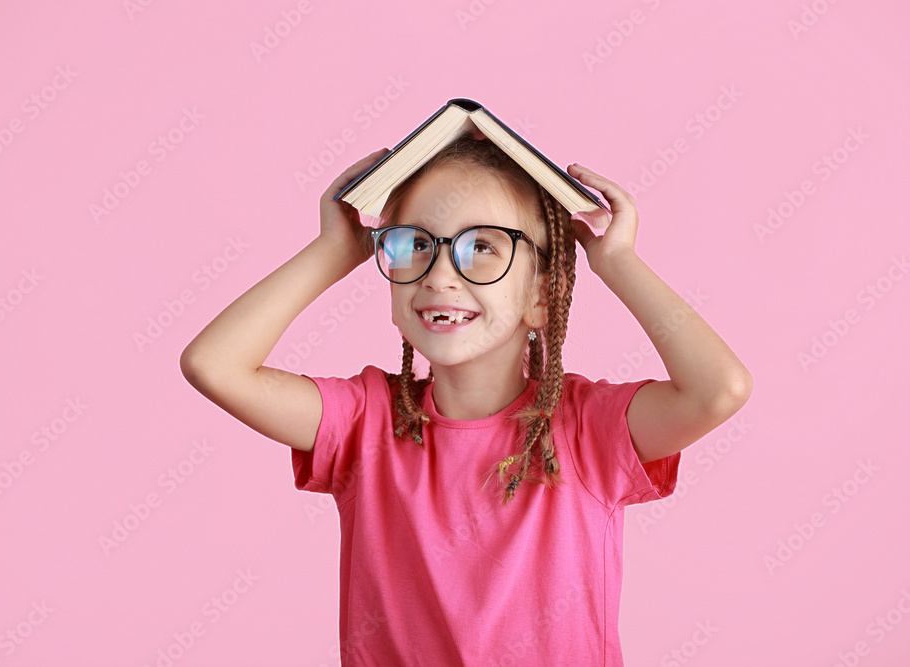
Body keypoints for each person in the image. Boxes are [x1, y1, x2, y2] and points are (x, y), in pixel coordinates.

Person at [180, 134, 752, 665]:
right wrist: (334, 249)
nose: (439, 274)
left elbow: (718, 389)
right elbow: (214, 365)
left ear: (541, 297)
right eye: (415, 244)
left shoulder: (584, 429)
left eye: (482, 246)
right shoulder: (367, 421)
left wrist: (619, 261)